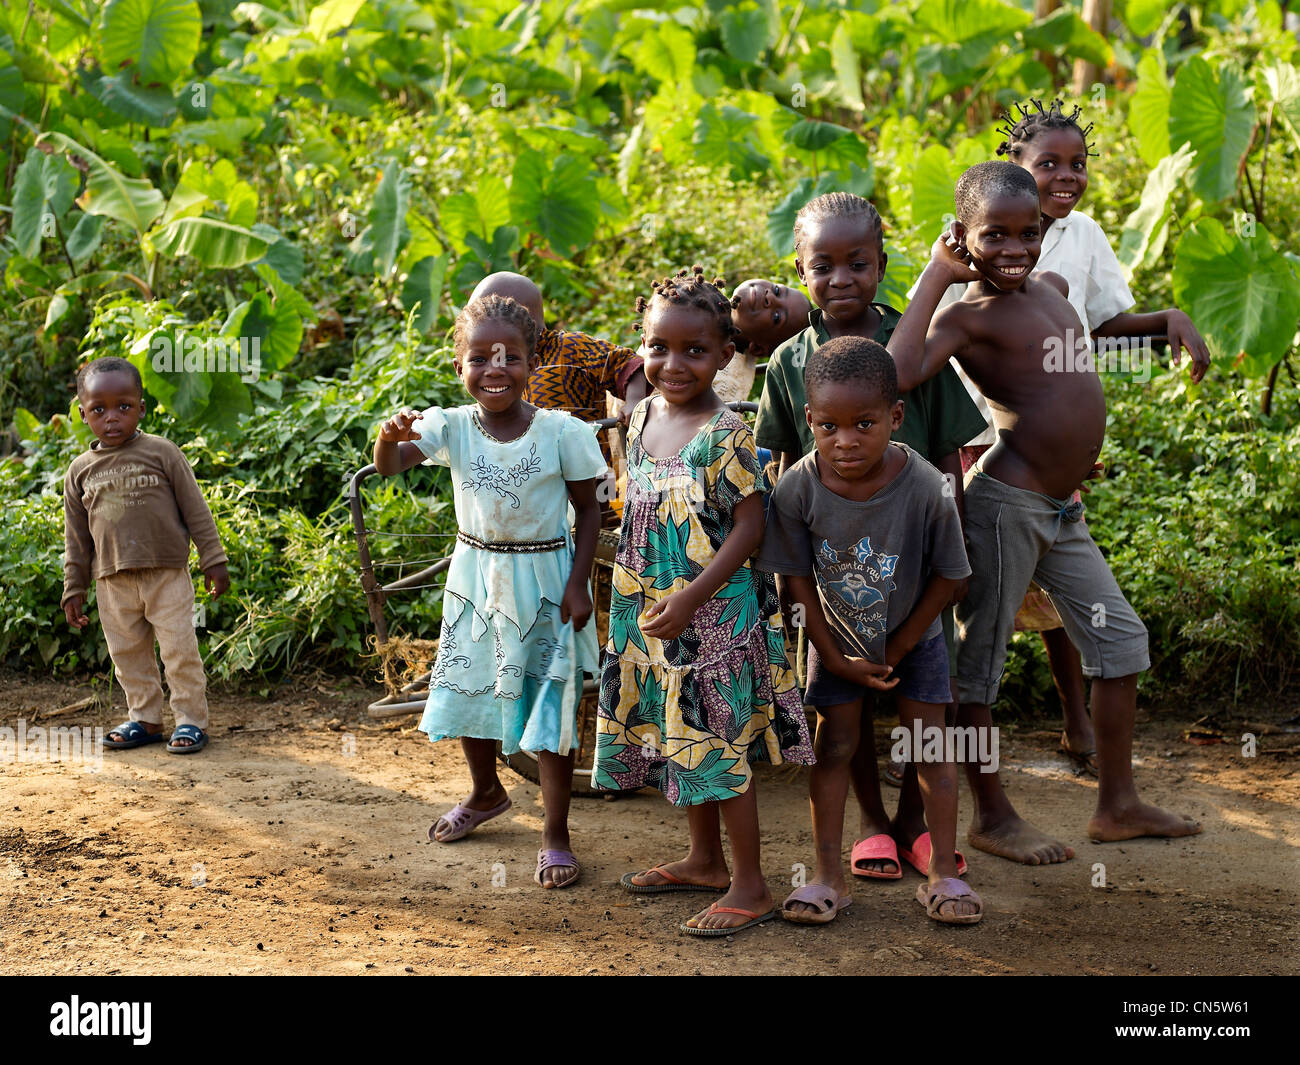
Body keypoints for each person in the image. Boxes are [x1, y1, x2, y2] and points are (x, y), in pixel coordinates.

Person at [889, 160, 1205, 863]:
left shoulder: (1056, 289)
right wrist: (939, 276)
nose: (1014, 249)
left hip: (1063, 508)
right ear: (962, 237)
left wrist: (1168, 324)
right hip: (1006, 505)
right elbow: (898, 372)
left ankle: (1117, 804)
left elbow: (1084, 358)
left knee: (1121, 644)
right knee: (977, 671)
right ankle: (991, 815)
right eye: (993, 235)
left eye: (1028, 233)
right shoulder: (965, 317)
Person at [756, 192, 985, 874]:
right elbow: (785, 460)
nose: (841, 278)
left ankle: (919, 826)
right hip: (834, 569)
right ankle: (871, 821)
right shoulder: (788, 362)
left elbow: (949, 452)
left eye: (858, 263)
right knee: (841, 705)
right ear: (799, 270)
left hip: (914, 562)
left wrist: (956, 534)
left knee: (923, 693)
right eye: (822, 265)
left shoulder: (912, 341)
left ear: (882, 265)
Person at [593, 267, 813, 936]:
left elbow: (751, 525)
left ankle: (749, 884)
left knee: (716, 744)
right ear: (642, 345)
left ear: (725, 356)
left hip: (712, 613)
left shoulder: (726, 434)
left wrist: (690, 595)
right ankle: (703, 859)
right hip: (654, 605)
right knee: (675, 731)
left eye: (695, 350)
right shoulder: (640, 418)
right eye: (659, 346)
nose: (673, 363)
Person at [372, 294, 606, 889]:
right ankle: (484, 792)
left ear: (533, 364)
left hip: (548, 581)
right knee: (472, 688)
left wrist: (579, 585)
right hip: (476, 578)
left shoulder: (564, 433)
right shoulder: (448, 426)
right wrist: (386, 436)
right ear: (460, 369)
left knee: (551, 708)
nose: (494, 369)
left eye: (510, 357)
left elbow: (589, 514)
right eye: (479, 358)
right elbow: (391, 465)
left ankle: (555, 834)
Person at [62, 357, 229, 754]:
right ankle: (146, 719)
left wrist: (213, 559)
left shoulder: (162, 452)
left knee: (179, 651)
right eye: (98, 410)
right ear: (83, 413)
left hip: (166, 575)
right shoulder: (80, 470)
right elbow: (76, 538)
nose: (112, 418)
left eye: (124, 406)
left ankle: (190, 721)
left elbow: (196, 510)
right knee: (128, 656)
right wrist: (74, 586)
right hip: (111, 582)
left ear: (141, 407)